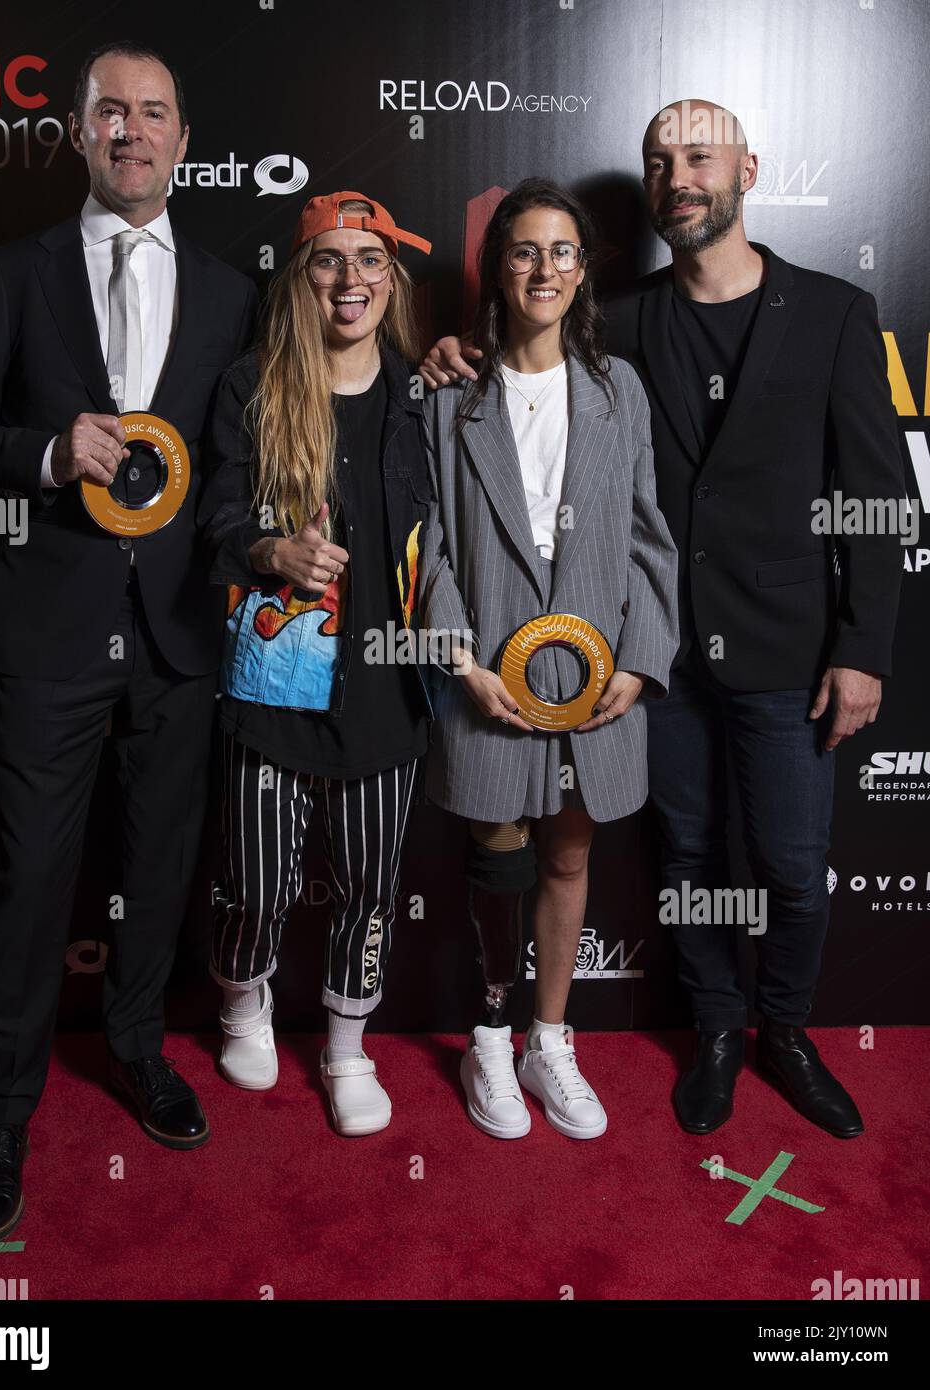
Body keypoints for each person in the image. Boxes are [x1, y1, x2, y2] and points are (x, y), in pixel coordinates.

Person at [419, 102, 905, 1139]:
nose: (676, 174)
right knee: (685, 858)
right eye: (658, 161)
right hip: (657, 663)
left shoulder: (829, 312)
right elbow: (526, 343)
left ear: (746, 169)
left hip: (785, 649)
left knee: (787, 865)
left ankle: (784, 1028)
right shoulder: (624, 323)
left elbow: (876, 495)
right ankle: (718, 1031)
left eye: (696, 155)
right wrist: (448, 356)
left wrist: (860, 647)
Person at [0, 40, 258, 1247]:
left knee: (161, 864)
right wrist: (49, 452)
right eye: (110, 113)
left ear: (181, 139)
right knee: (29, 880)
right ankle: (1, 1116)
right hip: (49, 624)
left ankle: (136, 1051)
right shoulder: (14, 277)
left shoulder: (228, 292)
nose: (132, 131)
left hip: (177, 632)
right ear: (77, 134)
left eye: (153, 113)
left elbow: (256, 448)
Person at [421, 178, 678, 1140]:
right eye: (524, 250)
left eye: (562, 251)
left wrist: (640, 661)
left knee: (570, 848)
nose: (544, 269)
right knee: (496, 851)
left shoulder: (620, 391)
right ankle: (490, 1039)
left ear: (584, 269)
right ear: (498, 266)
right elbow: (432, 546)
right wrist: (462, 660)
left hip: (593, 674)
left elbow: (652, 538)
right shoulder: (450, 396)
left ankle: (548, 1038)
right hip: (485, 670)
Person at [197, 191, 434, 1137]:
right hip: (277, 684)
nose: (351, 279)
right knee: (256, 885)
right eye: (330, 261)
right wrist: (271, 551)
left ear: (392, 279)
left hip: (388, 687)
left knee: (371, 888)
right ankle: (242, 1000)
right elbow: (210, 516)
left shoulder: (425, 391)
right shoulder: (252, 385)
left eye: (370, 260)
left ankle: (345, 1044)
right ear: (302, 279)